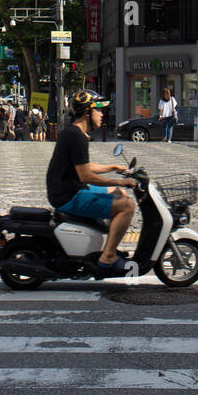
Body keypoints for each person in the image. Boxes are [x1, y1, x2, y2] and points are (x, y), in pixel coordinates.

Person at [45, 89, 137, 277]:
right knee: (127, 206)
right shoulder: (76, 136)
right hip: (68, 195)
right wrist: (121, 182)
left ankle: (108, 245)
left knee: (120, 195)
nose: (103, 115)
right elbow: (86, 175)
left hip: (69, 189)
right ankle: (108, 257)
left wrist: (113, 166)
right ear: (88, 112)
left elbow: (84, 166)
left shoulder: (74, 132)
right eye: (99, 111)